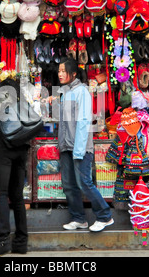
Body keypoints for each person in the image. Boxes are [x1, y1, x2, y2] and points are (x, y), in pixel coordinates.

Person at [57, 57, 114, 232]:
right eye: (58, 71)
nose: (59, 74)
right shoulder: (64, 91)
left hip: (79, 147)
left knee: (84, 183)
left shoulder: (81, 91)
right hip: (66, 146)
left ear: (73, 74)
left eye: (63, 71)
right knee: (69, 185)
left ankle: (105, 216)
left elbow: (83, 121)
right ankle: (78, 218)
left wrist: (79, 150)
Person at [0, 77, 33, 257]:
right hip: (21, 149)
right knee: (18, 196)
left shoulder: (2, 100)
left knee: (2, 194)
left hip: (4, 148)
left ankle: (3, 241)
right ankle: (21, 242)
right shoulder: (23, 102)